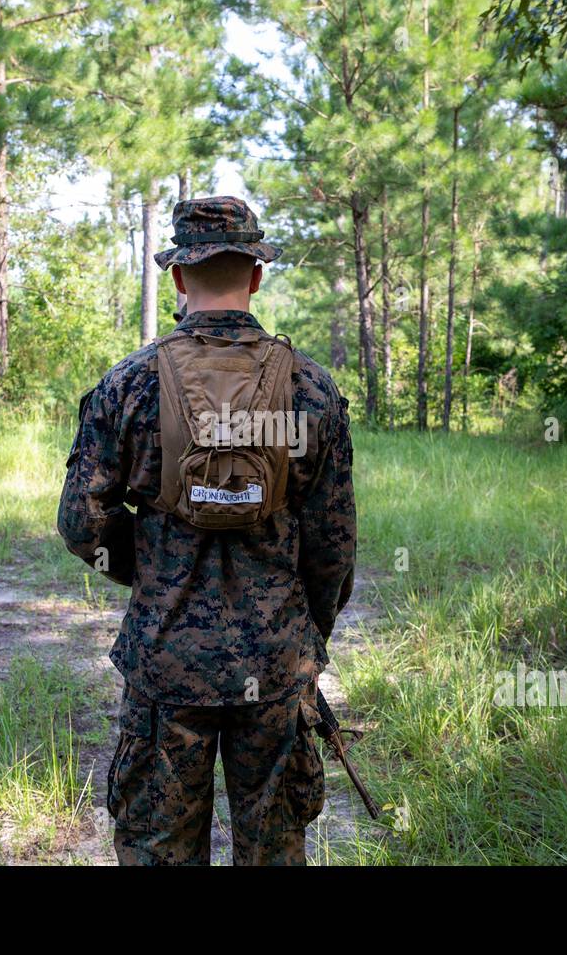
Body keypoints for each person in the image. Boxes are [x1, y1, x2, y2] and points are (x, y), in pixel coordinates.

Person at [57, 195, 357, 865]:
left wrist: (151, 574)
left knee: (159, 846)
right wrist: (309, 636)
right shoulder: (311, 388)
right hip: (275, 662)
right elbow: (333, 546)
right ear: (255, 275)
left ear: (177, 276)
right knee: (273, 846)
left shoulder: (129, 384)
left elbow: (82, 522)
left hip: (167, 660)